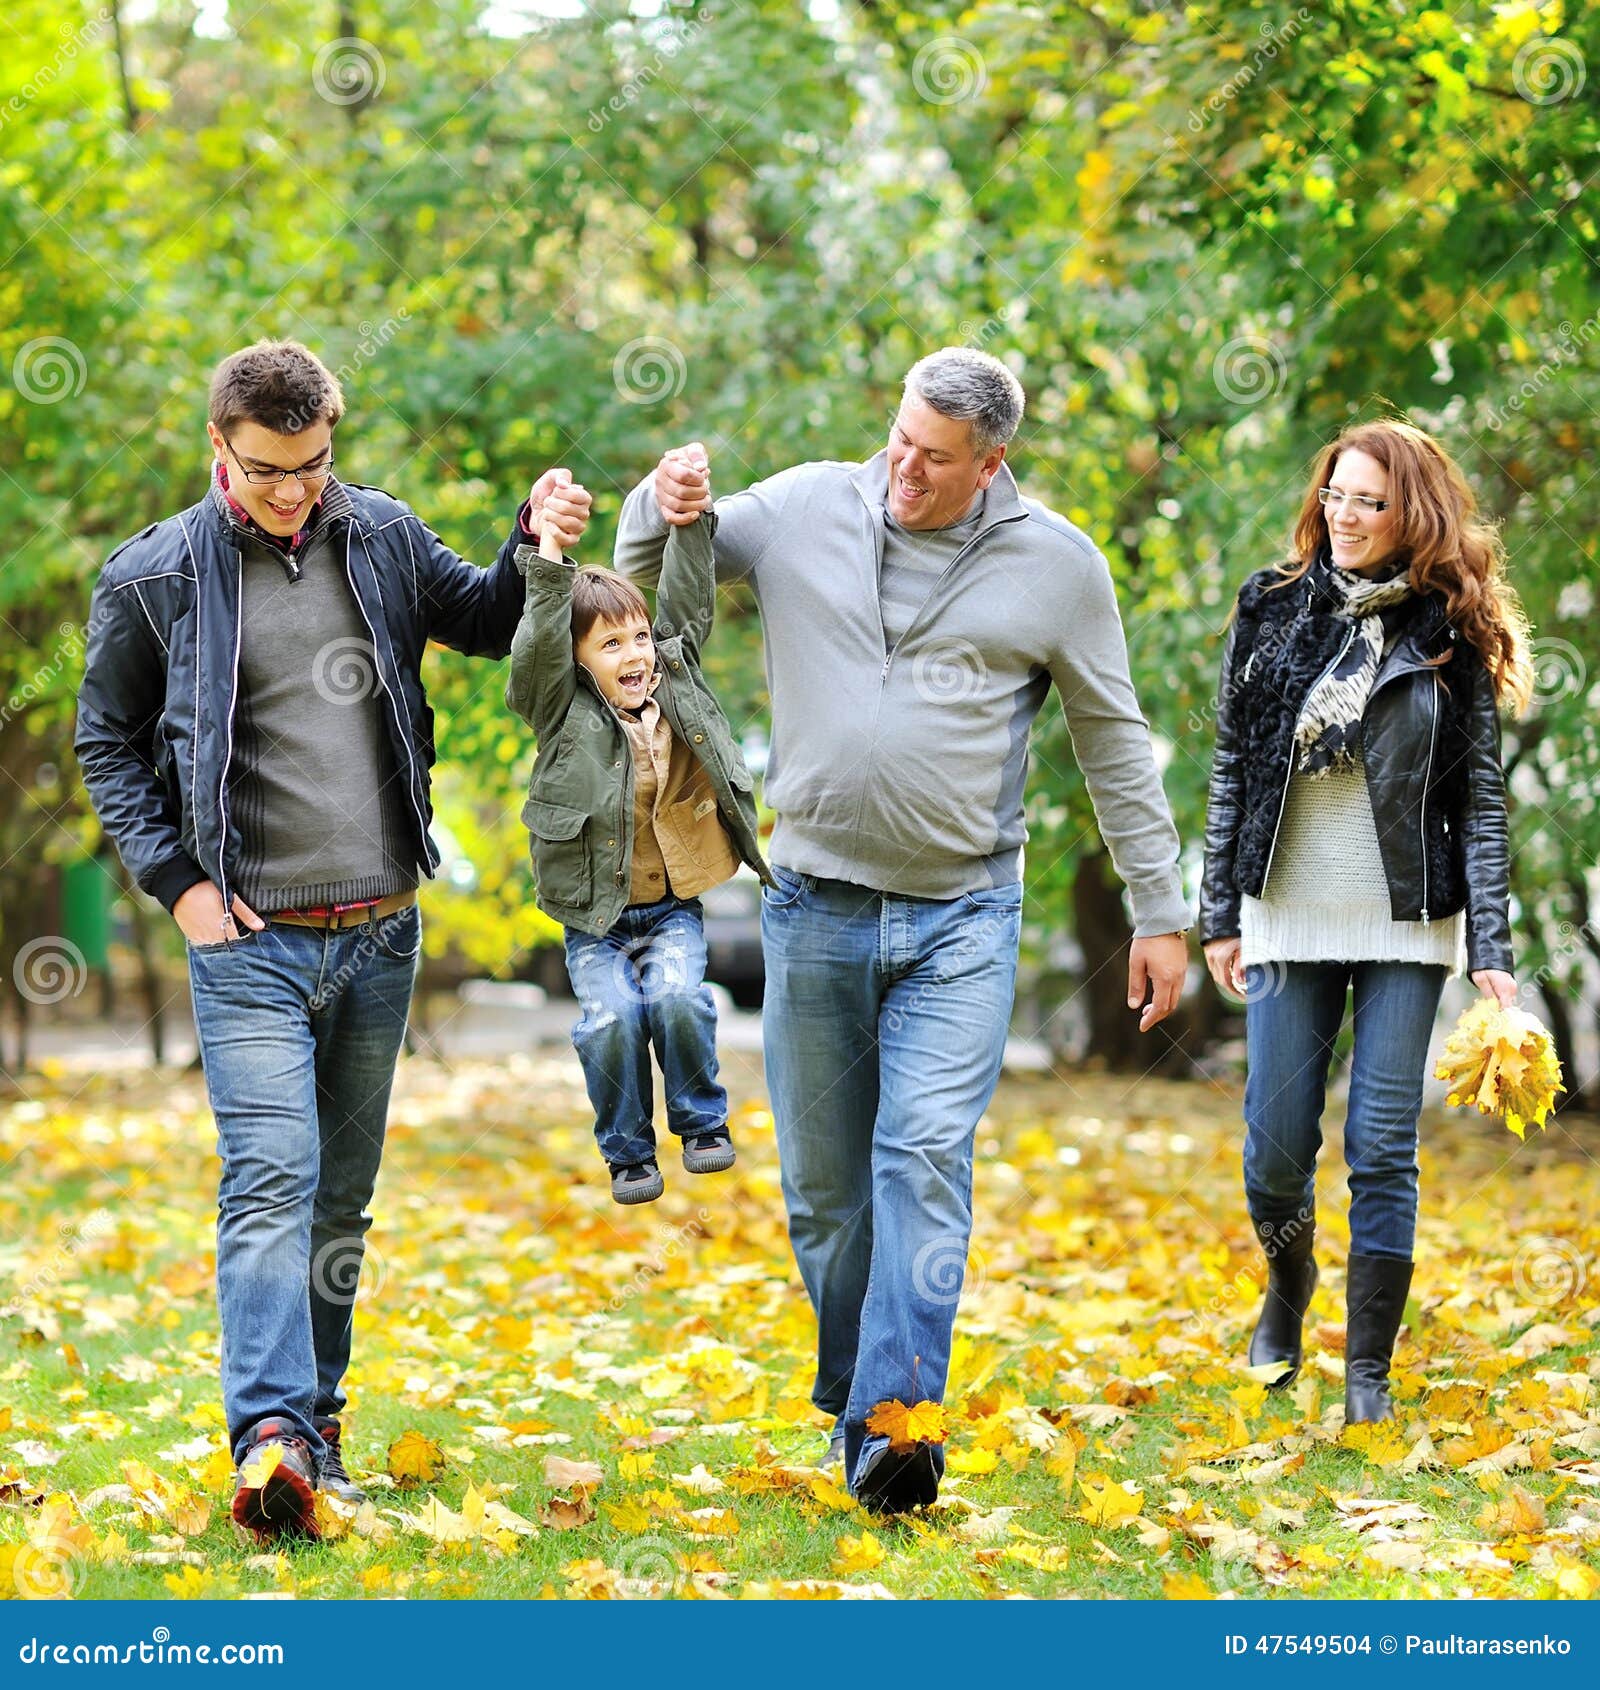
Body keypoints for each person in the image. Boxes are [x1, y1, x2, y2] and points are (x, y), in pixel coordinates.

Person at [615, 347, 1188, 1513]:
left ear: (991, 464)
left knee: (921, 1156)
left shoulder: (1058, 566)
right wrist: (657, 500)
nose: (903, 467)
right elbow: (647, 584)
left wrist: (1159, 908)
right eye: (899, 438)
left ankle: (894, 1422)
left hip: (962, 915)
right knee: (826, 1198)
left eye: (933, 458)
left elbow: (1114, 740)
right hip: (812, 903)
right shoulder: (805, 505)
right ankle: (856, 1400)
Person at [74, 339, 591, 1539]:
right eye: (267, 470)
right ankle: (268, 1441)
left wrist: (532, 538)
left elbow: (482, 617)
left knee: (337, 1207)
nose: (295, 490)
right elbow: (109, 740)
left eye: (312, 464)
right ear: (219, 447)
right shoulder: (153, 575)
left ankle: (318, 1427)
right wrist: (177, 886)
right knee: (271, 1182)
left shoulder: (381, 534)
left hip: (377, 935)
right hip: (248, 942)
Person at [1199, 419, 1530, 1424]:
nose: (1344, 517)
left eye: (1368, 502)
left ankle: (1367, 1378)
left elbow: (1478, 798)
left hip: (1405, 917)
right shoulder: (1268, 608)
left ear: (1411, 513)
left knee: (1380, 1143)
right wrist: (1217, 910)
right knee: (1273, 1149)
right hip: (1286, 911)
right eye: (1334, 496)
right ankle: (1287, 1291)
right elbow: (1230, 765)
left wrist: (1492, 950)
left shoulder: (1448, 629)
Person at [505, 503, 771, 1204]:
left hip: (670, 909)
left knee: (679, 999)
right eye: (611, 644)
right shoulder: (560, 708)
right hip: (596, 921)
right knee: (613, 1017)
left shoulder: (676, 682)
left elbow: (686, 604)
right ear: (578, 660)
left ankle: (702, 1124)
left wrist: (688, 525)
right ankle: (628, 1155)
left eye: (638, 636)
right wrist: (551, 553)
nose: (636, 654)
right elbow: (535, 646)